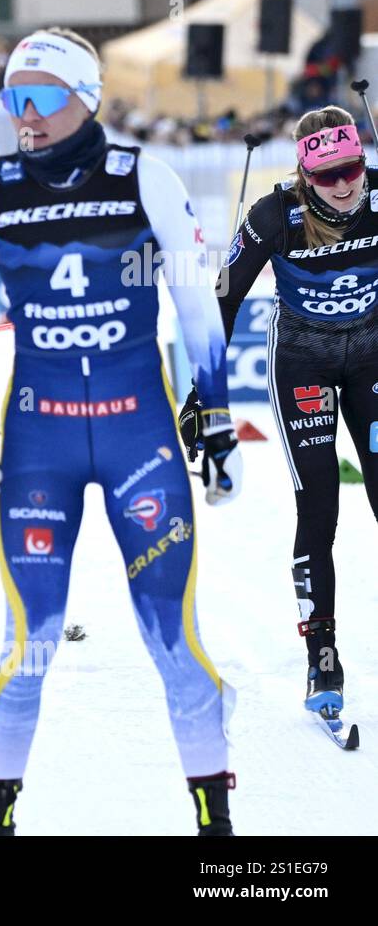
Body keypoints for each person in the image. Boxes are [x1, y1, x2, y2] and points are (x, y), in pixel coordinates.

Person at [0, 28, 242, 834]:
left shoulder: (147, 177)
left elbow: (197, 305)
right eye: (10, 98)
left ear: (86, 98)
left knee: (175, 643)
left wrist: (213, 414)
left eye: (38, 97)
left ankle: (217, 824)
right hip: (42, 443)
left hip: (141, 436)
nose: (21, 116)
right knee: (27, 647)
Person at [181, 106, 378, 728]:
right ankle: (323, 653)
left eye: (353, 168)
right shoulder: (274, 217)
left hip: (371, 355)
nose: (345, 184)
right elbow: (224, 298)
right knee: (320, 506)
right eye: (327, 176)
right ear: (304, 175)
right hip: (302, 363)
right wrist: (204, 391)